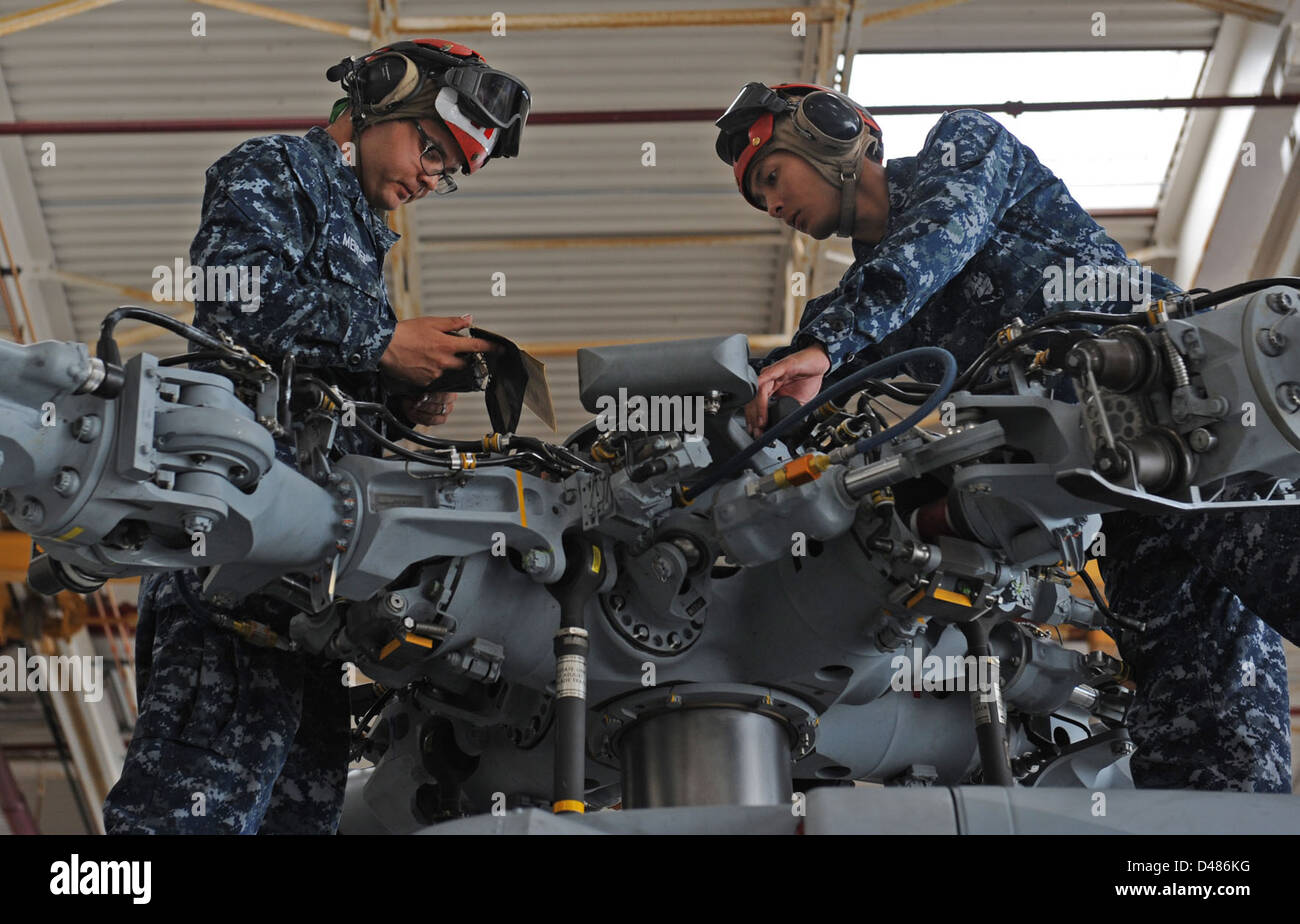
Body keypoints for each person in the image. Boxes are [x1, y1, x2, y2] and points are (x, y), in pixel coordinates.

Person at [714, 81, 1295, 792]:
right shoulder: (861, 306)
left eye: (770, 177)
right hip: (1115, 488)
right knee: (1202, 727)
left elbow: (941, 236)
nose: (774, 207)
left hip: (1189, 406)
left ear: (832, 132)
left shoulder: (960, 152)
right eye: (759, 201)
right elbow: (794, 385)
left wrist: (827, 346)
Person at [103, 40, 531, 833]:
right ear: (376, 104)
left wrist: (398, 399)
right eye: (429, 149)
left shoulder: (365, 240)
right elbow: (237, 300)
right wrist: (383, 343)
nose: (430, 177)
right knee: (191, 798)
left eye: (447, 173)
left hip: (315, 583)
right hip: (238, 540)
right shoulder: (272, 170)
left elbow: (312, 378)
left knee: (301, 808)